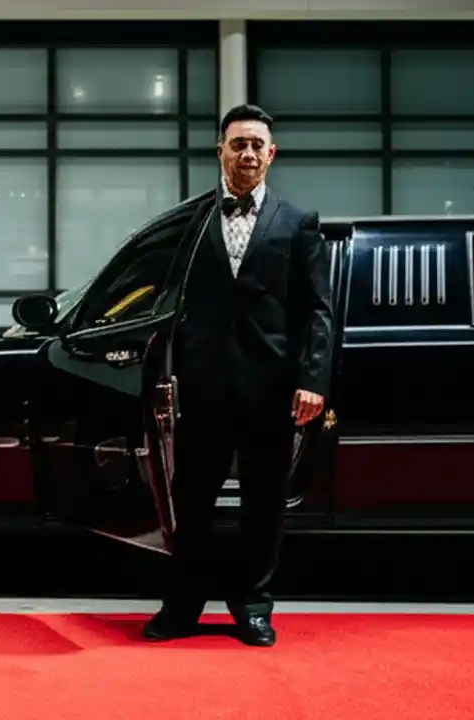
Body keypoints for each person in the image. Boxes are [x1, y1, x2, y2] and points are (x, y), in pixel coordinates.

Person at [143, 103, 334, 647]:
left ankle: (252, 606)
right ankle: (182, 606)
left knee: (264, 505)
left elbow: (317, 309)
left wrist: (313, 380)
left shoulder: (298, 222)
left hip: (272, 391)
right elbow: (162, 301)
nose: (247, 153)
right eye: (238, 143)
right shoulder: (192, 220)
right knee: (192, 504)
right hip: (202, 390)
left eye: (257, 145)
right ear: (220, 150)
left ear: (270, 155)